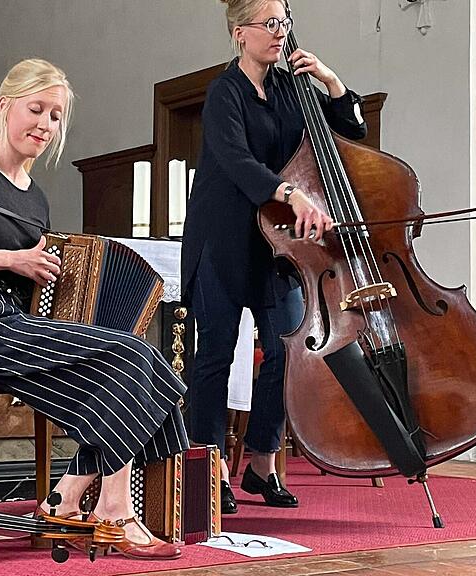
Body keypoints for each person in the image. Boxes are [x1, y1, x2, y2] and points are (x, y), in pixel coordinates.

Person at [0, 58, 188, 560]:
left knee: (144, 364)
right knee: (126, 358)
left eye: (56, 116)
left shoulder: (36, 198)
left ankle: (64, 499)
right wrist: (13, 258)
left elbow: (31, 282)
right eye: (35, 109)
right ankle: (111, 509)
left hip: (15, 324)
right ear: (5, 106)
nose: (45, 124)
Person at [181, 0, 367, 515]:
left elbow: (352, 136)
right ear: (241, 34)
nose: (280, 32)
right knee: (215, 355)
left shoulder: (293, 89)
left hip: (277, 247)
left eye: (284, 22)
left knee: (286, 355)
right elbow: (237, 162)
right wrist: (291, 194)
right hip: (221, 243)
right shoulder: (224, 93)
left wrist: (330, 83)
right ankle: (211, 466)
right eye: (270, 23)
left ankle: (263, 465)